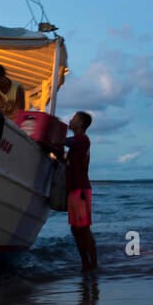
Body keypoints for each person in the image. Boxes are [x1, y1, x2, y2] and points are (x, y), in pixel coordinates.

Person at [65, 111, 97, 271]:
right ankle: (85, 264)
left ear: (81, 124)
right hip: (73, 190)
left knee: (83, 229)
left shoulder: (82, 140)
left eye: (73, 119)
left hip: (81, 190)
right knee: (75, 229)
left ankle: (93, 265)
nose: (70, 121)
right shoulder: (76, 144)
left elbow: (63, 141)